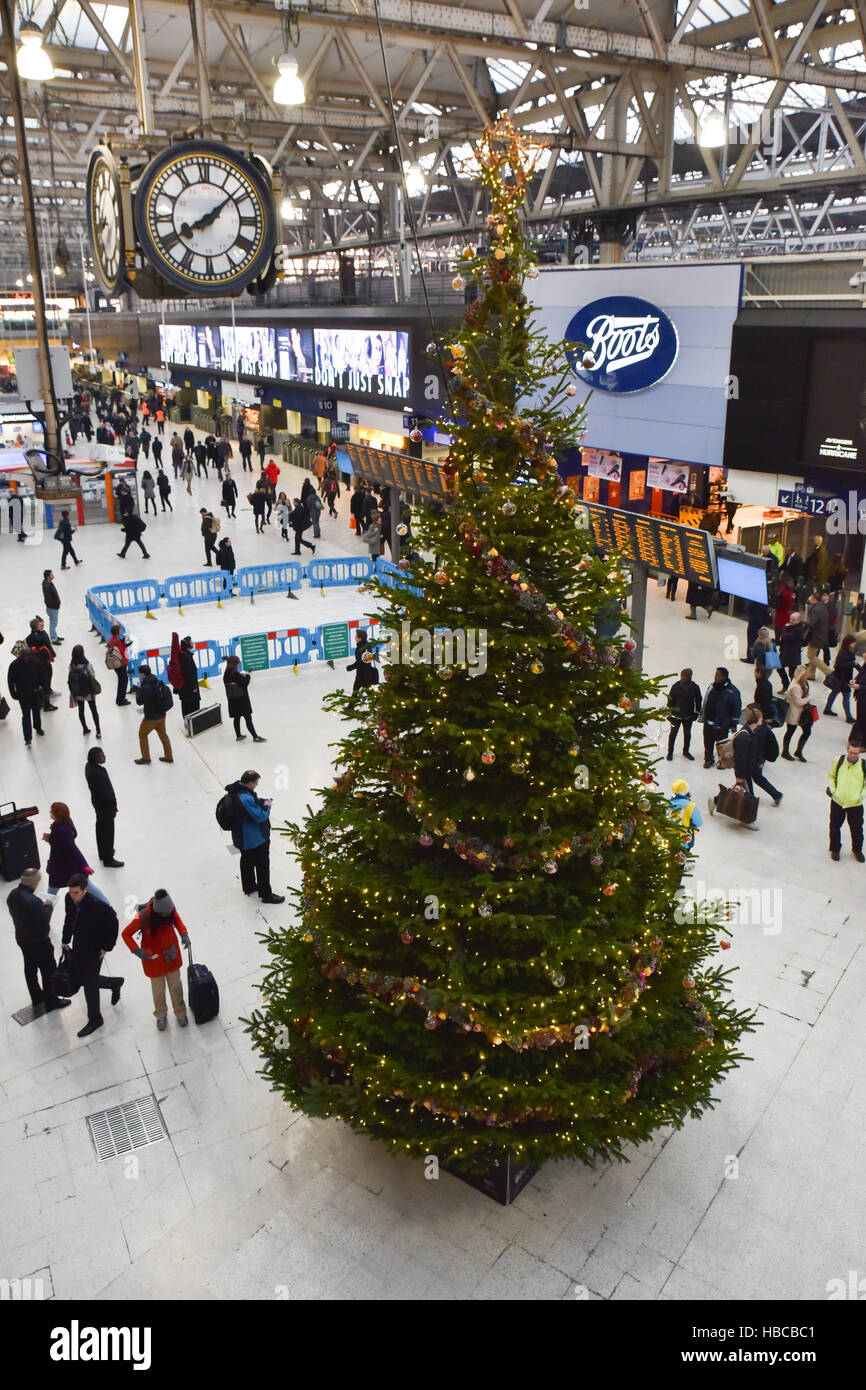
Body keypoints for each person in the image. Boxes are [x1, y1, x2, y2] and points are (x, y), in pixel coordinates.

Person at [60, 873, 123, 1038]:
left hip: (94, 950)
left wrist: (107, 947)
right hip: (79, 947)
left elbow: (113, 922)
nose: (72, 896)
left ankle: (95, 1019)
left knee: (89, 985)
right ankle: (113, 983)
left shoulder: (97, 906)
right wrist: (66, 939)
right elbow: (69, 918)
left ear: (85, 890)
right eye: (71, 892)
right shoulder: (69, 899)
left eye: (76, 893)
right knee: (84, 978)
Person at [122, 889, 190, 1030]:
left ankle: (180, 1013)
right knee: (158, 991)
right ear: (157, 911)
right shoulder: (142, 917)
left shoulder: (170, 910)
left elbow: (177, 920)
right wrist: (137, 950)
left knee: (176, 987)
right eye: (164, 914)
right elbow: (126, 934)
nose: (168, 915)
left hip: (171, 956)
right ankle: (160, 1015)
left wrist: (184, 934)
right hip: (154, 960)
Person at [6, 867, 70, 1013]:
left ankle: (36, 996)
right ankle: (52, 1001)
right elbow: (44, 920)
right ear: (33, 884)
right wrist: (48, 906)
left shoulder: (12, 895)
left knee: (30, 967)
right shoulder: (33, 902)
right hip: (39, 941)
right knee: (48, 970)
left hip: (22, 938)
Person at [222, 770, 283, 903]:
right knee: (262, 865)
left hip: (243, 838)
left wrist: (261, 801)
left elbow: (251, 803)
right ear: (249, 783)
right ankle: (266, 895)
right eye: (255, 783)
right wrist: (267, 807)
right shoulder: (245, 798)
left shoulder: (238, 788)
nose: (256, 785)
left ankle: (249, 886)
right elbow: (259, 816)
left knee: (247, 860)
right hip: (254, 839)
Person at [733, 705, 782, 809]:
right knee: (756, 778)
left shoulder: (757, 730)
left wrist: (760, 761)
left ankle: (751, 802)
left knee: (752, 780)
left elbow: (757, 748)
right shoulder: (755, 730)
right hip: (753, 760)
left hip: (754, 760)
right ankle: (774, 795)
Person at [827, 740, 866, 862]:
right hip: (838, 801)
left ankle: (857, 850)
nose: (853, 755)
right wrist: (834, 791)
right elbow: (831, 776)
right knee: (834, 827)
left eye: (856, 753)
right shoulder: (838, 761)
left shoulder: (863, 765)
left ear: (859, 753)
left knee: (857, 829)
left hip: (855, 804)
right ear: (847, 750)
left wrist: (860, 796)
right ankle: (835, 849)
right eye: (851, 752)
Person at [85, 746, 122, 867]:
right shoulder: (97, 773)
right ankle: (108, 858)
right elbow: (105, 793)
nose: (104, 756)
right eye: (101, 755)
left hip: (98, 804)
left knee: (101, 828)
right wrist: (113, 804)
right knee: (108, 831)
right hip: (105, 807)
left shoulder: (89, 767)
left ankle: (103, 852)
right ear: (96, 758)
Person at [43, 802, 91, 894]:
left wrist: (50, 839)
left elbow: (65, 847)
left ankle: (45, 907)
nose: (50, 812)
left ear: (56, 814)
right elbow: (72, 836)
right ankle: (106, 903)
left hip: (61, 867)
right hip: (74, 865)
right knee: (87, 884)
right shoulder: (67, 821)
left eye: (51, 811)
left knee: (52, 889)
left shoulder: (59, 830)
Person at [700, 666, 741, 768]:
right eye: (715, 674)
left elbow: (736, 709)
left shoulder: (733, 692)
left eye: (718, 675)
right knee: (708, 742)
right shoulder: (712, 687)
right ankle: (708, 759)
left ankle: (723, 761)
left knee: (722, 744)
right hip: (709, 721)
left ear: (723, 677)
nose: (715, 677)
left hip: (722, 723)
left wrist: (733, 724)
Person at [7, 643, 48, 745]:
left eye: (28, 656)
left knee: (36, 712)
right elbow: (10, 681)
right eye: (24, 656)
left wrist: (44, 690)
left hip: (35, 693)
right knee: (25, 716)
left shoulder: (37, 663)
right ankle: (27, 737)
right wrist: (13, 694)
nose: (26, 659)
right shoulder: (14, 665)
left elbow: (43, 677)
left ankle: (38, 727)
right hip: (23, 695)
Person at [134, 663, 174, 765]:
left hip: (151, 717)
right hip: (162, 715)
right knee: (163, 735)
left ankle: (146, 757)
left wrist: (138, 690)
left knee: (142, 734)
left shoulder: (145, 687)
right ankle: (169, 756)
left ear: (142, 674)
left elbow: (139, 701)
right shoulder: (157, 681)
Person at [223, 654, 265, 742]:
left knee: (236, 718)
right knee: (248, 718)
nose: (238, 665)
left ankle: (238, 735)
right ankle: (255, 737)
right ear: (235, 664)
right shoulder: (235, 673)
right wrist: (248, 675)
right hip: (241, 699)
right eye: (238, 663)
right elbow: (244, 683)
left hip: (232, 699)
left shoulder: (226, 673)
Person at [666, 668, 702, 760]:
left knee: (687, 734)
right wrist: (669, 713)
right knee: (673, 734)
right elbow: (670, 700)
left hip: (688, 716)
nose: (683, 678)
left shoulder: (695, 687)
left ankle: (686, 751)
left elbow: (698, 701)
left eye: (684, 676)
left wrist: (696, 713)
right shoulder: (676, 686)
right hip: (676, 716)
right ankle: (670, 752)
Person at [67, 643, 102, 737]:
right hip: (88, 691)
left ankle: (85, 728)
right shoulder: (87, 664)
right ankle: (98, 730)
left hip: (78, 692)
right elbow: (93, 675)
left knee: (81, 710)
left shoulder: (71, 665)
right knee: (93, 710)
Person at [781, 666, 813, 762]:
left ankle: (799, 751)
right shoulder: (795, 686)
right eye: (805, 675)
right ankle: (785, 752)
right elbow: (798, 702)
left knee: (807, 731)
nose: (806, 676)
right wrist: (809, 698)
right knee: (790, 732)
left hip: (803, 713)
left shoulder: (804, 683)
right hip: (794, 713)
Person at [668, 779, 702, 851]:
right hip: (685, 840)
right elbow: (699, 822)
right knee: (682, 859)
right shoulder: (691, 806)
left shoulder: (667, 803)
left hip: (669, 838)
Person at [779, 610, 808, 688]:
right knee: (780, 667)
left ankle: (791, 688)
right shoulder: (792, 627)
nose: (791, 621)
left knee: (792, 673)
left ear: (798, 620)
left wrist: (785, 627)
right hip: (786, 652)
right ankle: (787, 685)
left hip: (792, 654)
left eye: (793, 620)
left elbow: (785, 636)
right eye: (790, 619)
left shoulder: (798, 630)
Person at [346, 628, 379, 693]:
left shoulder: (360, 648)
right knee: (369, 692)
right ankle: (377, 701)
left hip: (361, 675)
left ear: (360, 638)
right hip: (367, 673)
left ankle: (378, 702)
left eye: (356, 636)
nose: (354, 637)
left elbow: (360, 662)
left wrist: (350, 667)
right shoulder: (368, 645)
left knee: (355, 694)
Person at [107, 623, 130, 705]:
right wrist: (126, 644)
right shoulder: (118, 641)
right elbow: (122, 651)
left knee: (121, 680)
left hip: (115, 663)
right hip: (121, 664)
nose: (121, 631)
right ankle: (121, 700)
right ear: (117, 632)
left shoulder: (112, 639)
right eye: (120, 630)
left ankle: (120, 699)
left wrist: (122, 642)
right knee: (123, 681)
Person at [42, 569, 62, 645]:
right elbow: (48, 598)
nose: (53, 575)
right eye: (51, 574)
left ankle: (55, 636)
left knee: (54, 623)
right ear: (48, 577)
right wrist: (55, 604)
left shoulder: (49, 583)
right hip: (52, 607)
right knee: (53, 623)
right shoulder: (47, 586)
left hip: (53, 607)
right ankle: (54, 638)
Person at [774, 573, 795, 638]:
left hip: (778, 610)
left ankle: (776, 638)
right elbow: (791, 602)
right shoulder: (789, 593)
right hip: (785, 611)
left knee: (777, 624)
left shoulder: (781, 589)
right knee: (783, 626)